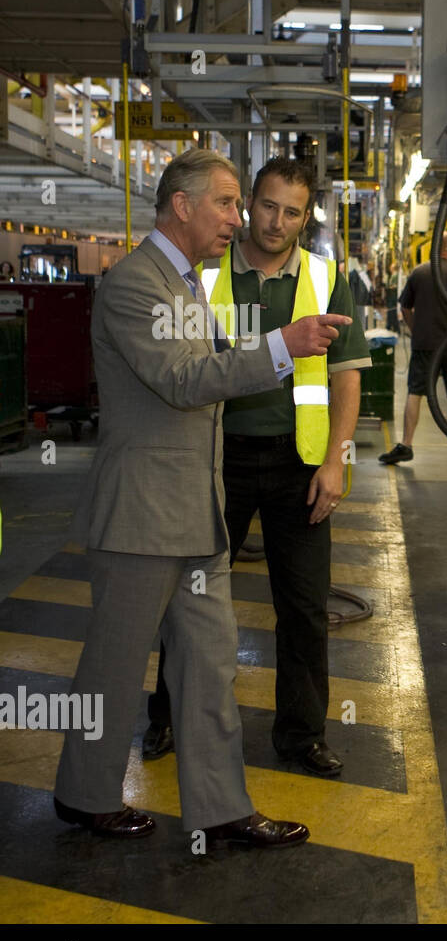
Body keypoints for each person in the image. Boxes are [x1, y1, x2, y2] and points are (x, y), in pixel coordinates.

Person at [53, 147, 346, 844]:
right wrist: (283, 345)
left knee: (212, 668)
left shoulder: (188, 283)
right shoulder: (133, 285)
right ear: (181, 205)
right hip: (141, 516)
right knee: (115, 669)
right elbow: (186, 379)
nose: (238, 217)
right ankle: (84, 793)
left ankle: (219, 809)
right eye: (227, 202)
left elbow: (210, 371)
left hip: (195, 517)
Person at [142, 157, 369, 778]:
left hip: (300, 464)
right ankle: (166, 716)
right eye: (266, 205)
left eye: (292, 211)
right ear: (249, 205)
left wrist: (335, 461)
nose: (276, 221)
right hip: (217, 461)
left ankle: (301, 736)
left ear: (306, 215)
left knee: (303, 608)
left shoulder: (325, 278)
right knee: (187, 599)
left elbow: (348, 377)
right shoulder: (206, 271)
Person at [378, 231, 447, 463]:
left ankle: (406, 444)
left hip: (425, 344)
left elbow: (404, 307)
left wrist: (416, 330)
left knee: (415, 392)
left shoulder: (419, 272)